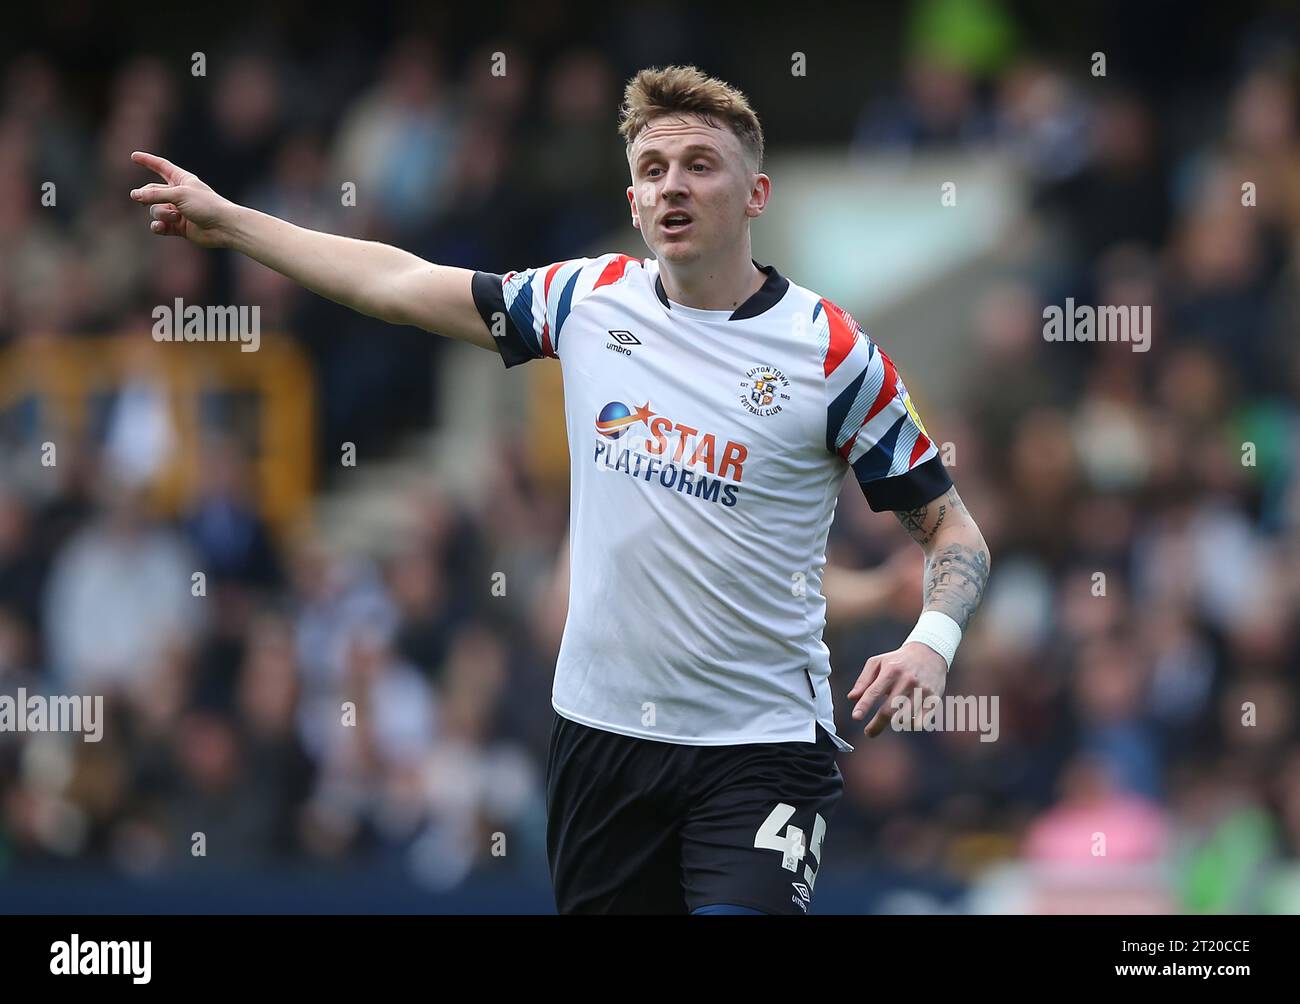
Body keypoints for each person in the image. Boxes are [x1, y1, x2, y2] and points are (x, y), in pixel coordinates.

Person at [129, 64, 991, 915]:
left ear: (756, 193)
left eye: (699, 165)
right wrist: (233, 222)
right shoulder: (587, 299)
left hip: (758, 747)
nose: (672, 187)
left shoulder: (835, 355)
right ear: (632, 203)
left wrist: (931, 642)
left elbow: (953, 535)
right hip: (602, 738)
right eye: (652, 171)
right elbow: (395, 285)